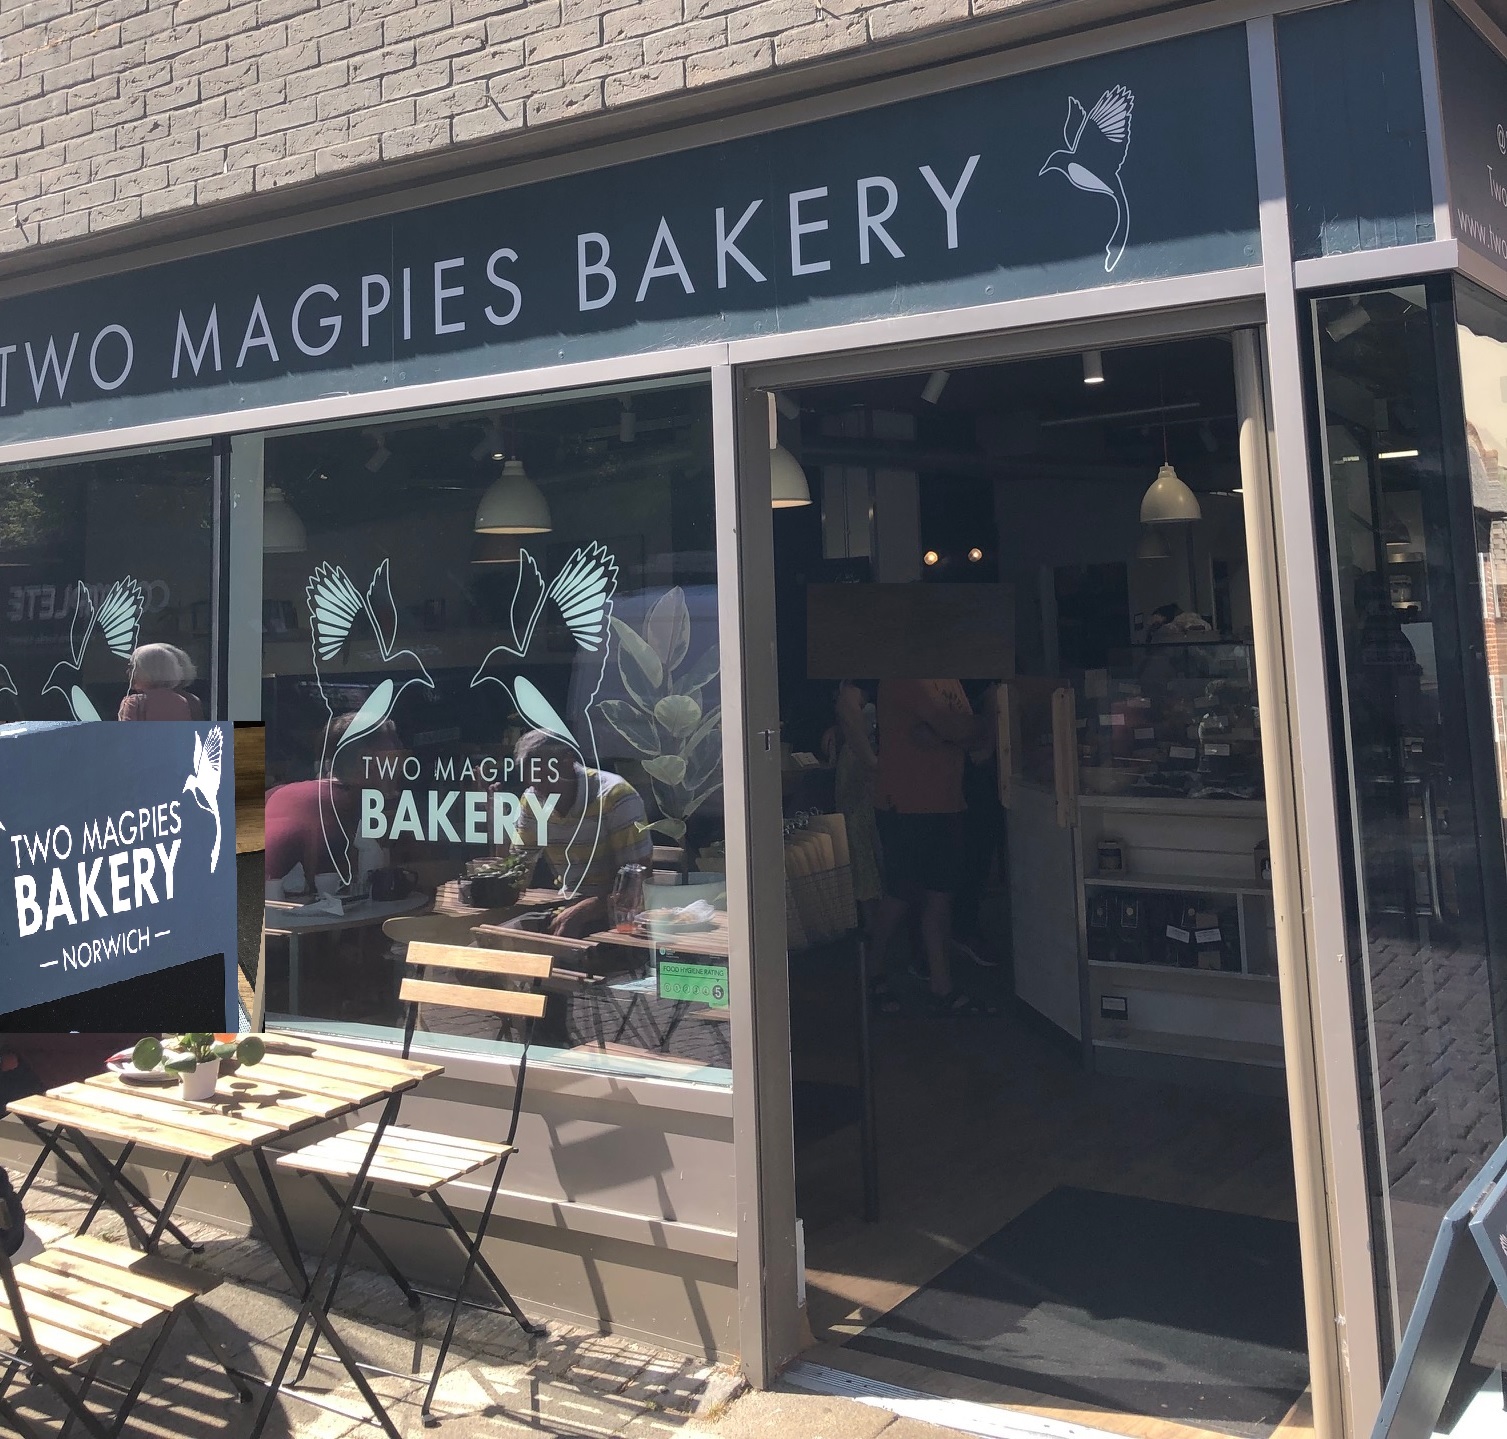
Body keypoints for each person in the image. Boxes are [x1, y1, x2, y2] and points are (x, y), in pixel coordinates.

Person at [870, 678, 997, 1017]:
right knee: (900, 895)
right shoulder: (904, 675)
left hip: (948, 801)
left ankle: (942, 986)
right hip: (904, 803)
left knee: (941, 896)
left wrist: (949, 733)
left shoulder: (948, 677)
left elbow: (974, 734)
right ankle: (872, 971)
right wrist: (962, 730)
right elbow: (965, 728)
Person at [504, 728, 652, 934]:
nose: (539, 789)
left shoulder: (615, 796)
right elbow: (520, 869)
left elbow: (636, 883)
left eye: (546, 777)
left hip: (617, 919)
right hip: (564, 906)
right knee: (485, 944)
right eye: (533, 781)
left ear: (568, 761)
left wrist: (583, 911)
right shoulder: (533, 799)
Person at [825, 680, 883, 927]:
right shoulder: (858, 682)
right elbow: (848, 708)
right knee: (861, 841)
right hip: (863, 770)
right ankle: (872, 926)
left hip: (878, 767)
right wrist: (875, 765)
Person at [117, 643, 193, 720]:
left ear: (148, 671)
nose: (128, 672)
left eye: (133, 667)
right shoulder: (182, 701)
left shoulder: (134, 703)